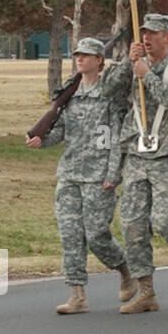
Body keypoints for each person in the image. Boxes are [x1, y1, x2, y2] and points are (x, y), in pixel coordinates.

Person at [26, 37, 133, 314]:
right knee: (70, 234)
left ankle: (124, 269)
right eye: (77, 55)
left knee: (97, 234)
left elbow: (117, 140)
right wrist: (43, 140)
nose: (80, 59)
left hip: (99, 176)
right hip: (70, 174)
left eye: (86, 55)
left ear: (99, 60)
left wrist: (113, 174)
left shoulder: (110, 96)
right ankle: (77, 294)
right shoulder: (70, 95)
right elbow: (61, 131)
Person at [102, 13, 168, 314]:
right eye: (144, 33)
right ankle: (146, 290)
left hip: (166, 155)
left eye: (153, 33)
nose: (147, 38)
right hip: (136, 153)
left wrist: (147, 75)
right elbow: (108, 90)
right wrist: (126, 64)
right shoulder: (135, 65)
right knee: (132, 224)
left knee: (166, 219)